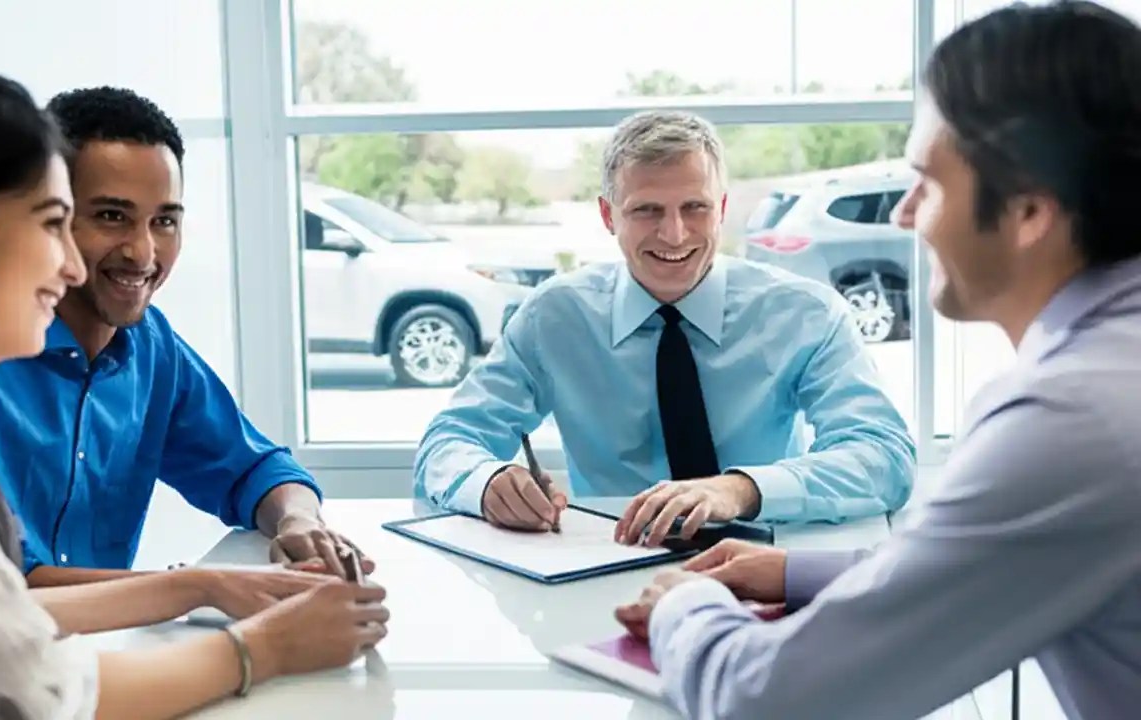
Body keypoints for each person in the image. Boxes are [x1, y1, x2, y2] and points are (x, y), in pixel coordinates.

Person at [614, 3, 1141, 718]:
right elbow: (1004, 553)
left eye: (927, 180)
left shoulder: (1071, 418)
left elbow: (770, 703)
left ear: (1027, 212)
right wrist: (798, 572)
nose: (902, 214)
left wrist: (689, 605)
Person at [0, 65, 388, 719]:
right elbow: (33, 686)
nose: (76, 264)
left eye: (165, 221)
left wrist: (213, 583)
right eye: (55, 223)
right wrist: (261, 648)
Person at [413, 109, 915, 543]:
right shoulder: (554, 318)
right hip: (599, 569)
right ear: (609, 215)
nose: (674, 233)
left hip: (767, 565)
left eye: (694, 208)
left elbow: (883, 457)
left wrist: (737, 489)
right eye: (647, 211)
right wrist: (488, 482)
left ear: (720, 209)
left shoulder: (806, 314)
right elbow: (447, 442)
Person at [0, 86, 368, 585]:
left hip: (107, 652)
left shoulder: (151, 347)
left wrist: (298, 520)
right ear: (50, 216)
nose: (143, 251)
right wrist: (197, 591)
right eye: (112, 216)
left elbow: (253, 469)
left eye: (164, 221)